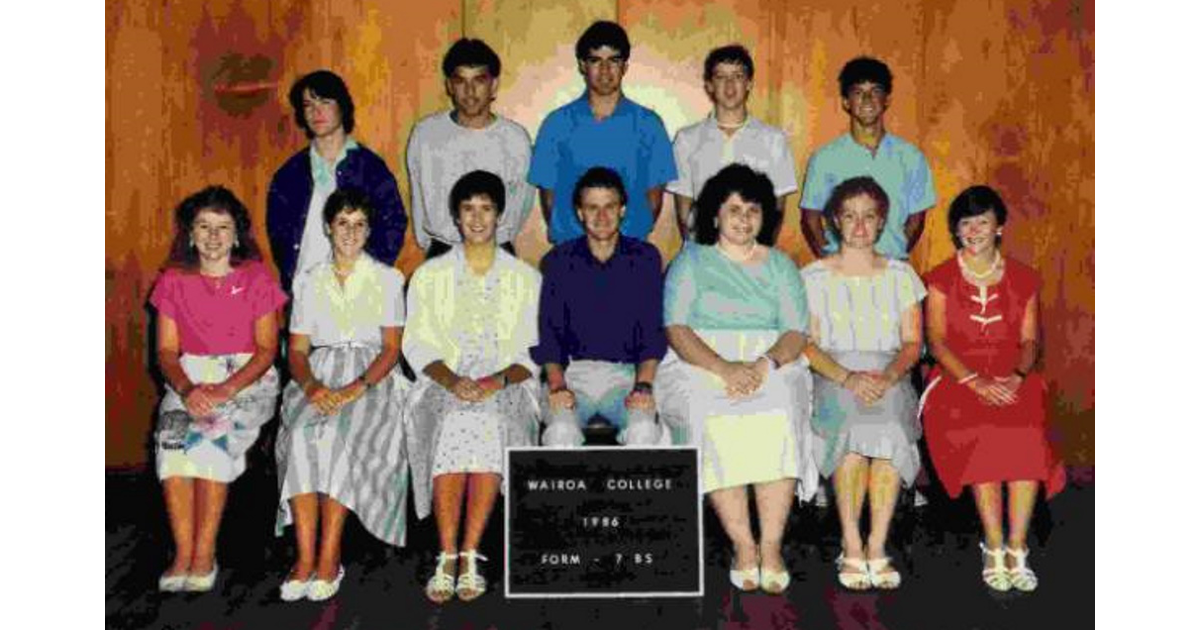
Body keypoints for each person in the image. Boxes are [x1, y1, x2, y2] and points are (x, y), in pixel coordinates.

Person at [656, 164, 817, 595]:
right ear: (714, 215)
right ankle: (743, 546)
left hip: (773, 361)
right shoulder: (690, 261)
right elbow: (677, 330)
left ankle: (771, 546)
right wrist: (725, 368)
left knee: (778, 415)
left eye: (752, 210)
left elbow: (796, 332)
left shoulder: (781, 265)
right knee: (713, 418)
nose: (744, 219)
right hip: (700, 361)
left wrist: (762, 365)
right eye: (733, 209)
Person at [403, 171, 541, 603]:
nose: (477, 218)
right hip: (441, 379)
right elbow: (417, 341)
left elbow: (534, 350)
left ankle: (471, 551)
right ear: (456, 217)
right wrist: (452, 380)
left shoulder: (525, 277)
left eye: (486, 208)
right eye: (468, 209)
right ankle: (446, 554)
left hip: (507, 383)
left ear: (500, 215)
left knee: (485, 420)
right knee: (452, 421)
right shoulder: (430, 275)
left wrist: (494, 381)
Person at [921, 185, 1066, 593]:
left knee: (1024, 432)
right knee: (983, 432)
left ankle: (1018, 547)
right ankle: (993, 544)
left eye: (982, 221)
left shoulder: (1023, 278)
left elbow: (1030, 341)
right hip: (956, 378)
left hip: (1012, 376)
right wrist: (974, 381)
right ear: (955, 230)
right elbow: (936, 341)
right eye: (965, 222)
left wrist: (1016, 377)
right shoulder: (940, 278)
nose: (973, 230)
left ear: (999, 227)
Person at [273, 189, 410, 602]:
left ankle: (330, 556)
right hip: (319, 372)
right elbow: (297, 351)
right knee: (301, 435)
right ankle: (304, 556)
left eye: (359, 224)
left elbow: (391, 349)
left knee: (338, 435)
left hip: (372, 377)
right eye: (342, 223)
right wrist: (313, 386)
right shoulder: (309, 280)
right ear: (328, 228)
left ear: (368, 231)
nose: (350, 232)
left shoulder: (388, 279)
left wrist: (355, 388)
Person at [149, 186, 287, 593]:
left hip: (243, 378)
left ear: (237, 234)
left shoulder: (256, 278)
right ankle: (183, 554)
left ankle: (204, 554)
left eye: (222, 228)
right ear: (190, 234)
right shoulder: (172, 281)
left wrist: (225, 389)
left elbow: (266, 351)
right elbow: (167, 352)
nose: (213, 236)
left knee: (209, 442)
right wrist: (188, 388)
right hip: (188, 379)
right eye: (204, 227)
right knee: (172, 448)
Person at [801, 176, 925, 591]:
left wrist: (888, 376)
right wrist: (848, 378)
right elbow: (808, 345)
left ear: (882, 221)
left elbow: (912, 343)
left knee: (889, 430)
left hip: (889, 374)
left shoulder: (901, 275)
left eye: (868, 217)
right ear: (835, 221)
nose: (859, 226)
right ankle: (851, 545)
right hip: (835, 374)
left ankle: (877, 546)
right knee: (852, 433)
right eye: (849, 216)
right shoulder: (814, 276)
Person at [534, 167, 668, 447]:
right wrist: (557, 385)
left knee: (643, 429)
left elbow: (653, 334)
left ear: (623, 209)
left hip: (627, 375)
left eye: (610, 207)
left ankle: (638, 494)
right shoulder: (559, 261)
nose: (602, 216)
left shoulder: (644, 259)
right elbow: (549, 333)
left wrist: (643, 386)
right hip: (573, 374)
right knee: (560, 432)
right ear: (580, 212)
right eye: (592, 208)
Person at [529, 20, 677, 244]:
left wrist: (625, 244)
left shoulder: (649, 125)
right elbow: (549, 200)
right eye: (595, 60)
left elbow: (653, 201)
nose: (605, 70)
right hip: (571, 253)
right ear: (582, 65)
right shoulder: (556, 124)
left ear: (625, 66)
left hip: (629, 254)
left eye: (614, 60)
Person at [267, 70, 407, 291]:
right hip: (305, 290)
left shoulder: (370, 168)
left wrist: (368, 273)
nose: (316, 111)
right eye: (308, 105)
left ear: (342, 106)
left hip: (361, 289)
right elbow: (279, 237)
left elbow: (393, 224)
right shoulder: (289, 175)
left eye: (324, 102)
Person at [406, 38, 533, 258]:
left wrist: (497, 237)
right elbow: (418, 196)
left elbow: (521, 204)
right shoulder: (426, 134)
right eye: (461, 81)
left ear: (493, 85)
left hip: (496, 250)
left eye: (479, 80)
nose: (470, 90)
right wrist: (432, 246)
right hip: (442, 249)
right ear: (449, 86)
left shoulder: (515, 139)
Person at [799, 57, 934, 260]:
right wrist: (831, 261)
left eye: (875, 91)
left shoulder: (911, 157)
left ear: (887, 100)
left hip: (891, 271)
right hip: (841, 273)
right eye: (858, 93)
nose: (867, 100)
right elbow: (810, 218)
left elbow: (916, 220)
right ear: (846, 102)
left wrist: (893, 259)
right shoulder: (825, 158)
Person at [669, 44, 798, 240]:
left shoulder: (773, 140)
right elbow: (684, 211)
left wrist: (760, 255)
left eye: (738, 77)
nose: (730, 86)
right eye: (721, 77)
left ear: (749, 84)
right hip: (704, 254)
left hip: (753, 254)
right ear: (709, 85)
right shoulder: (687, 140)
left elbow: (776, 210)